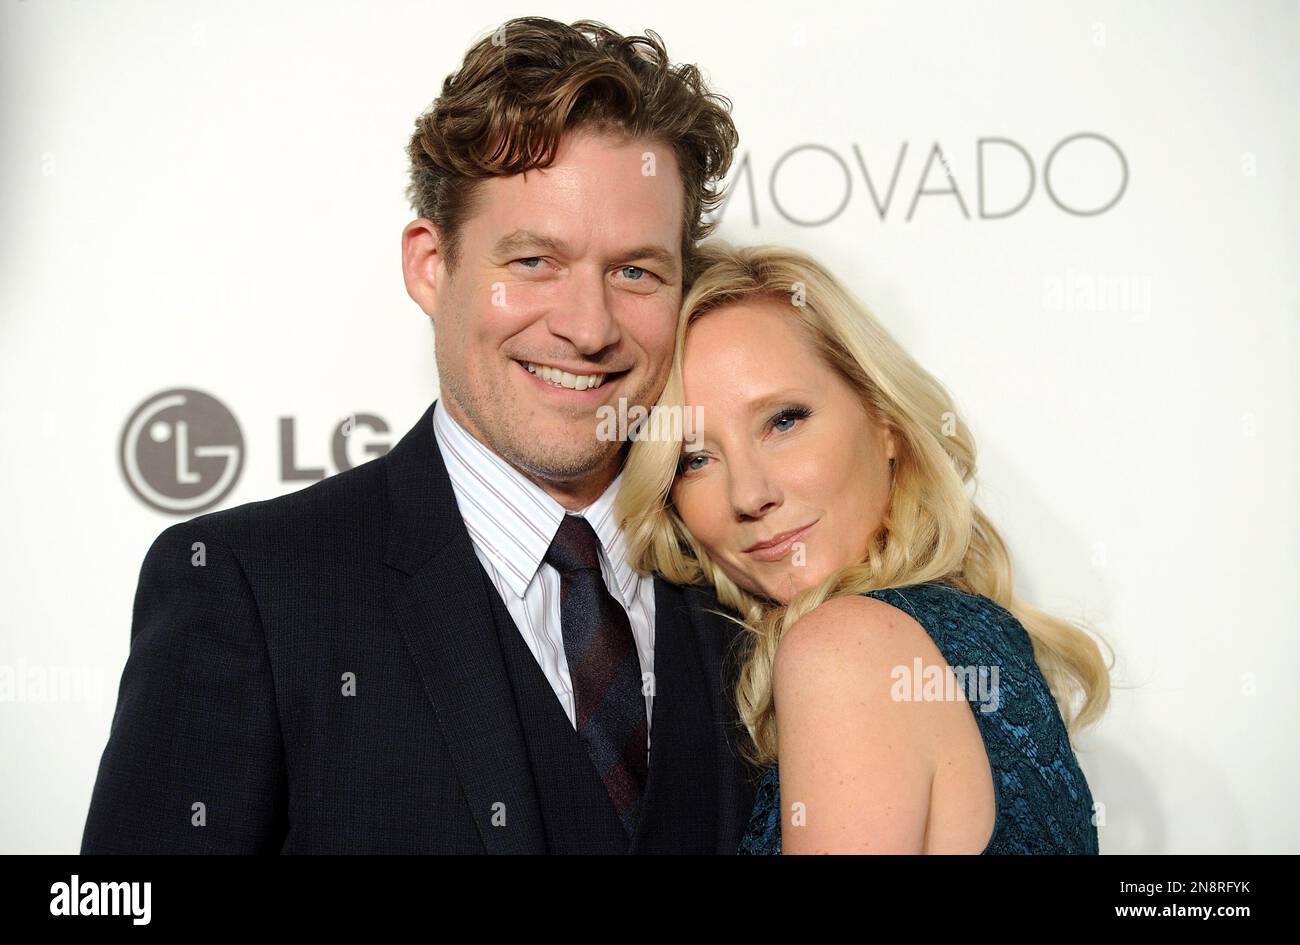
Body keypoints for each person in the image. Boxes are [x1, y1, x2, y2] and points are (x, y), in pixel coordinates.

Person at [81, 17, 757, 854]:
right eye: (534, 262)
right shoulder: (251, 592)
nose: (589, 328)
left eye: (635, 271)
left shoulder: (743, 579)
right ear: (431, 266)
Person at [616, 241, 1113, 853]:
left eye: (784, 421)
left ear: (885, 420)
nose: (750, 494)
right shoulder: (966, 637)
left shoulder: (846, 648)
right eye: (695, 459)